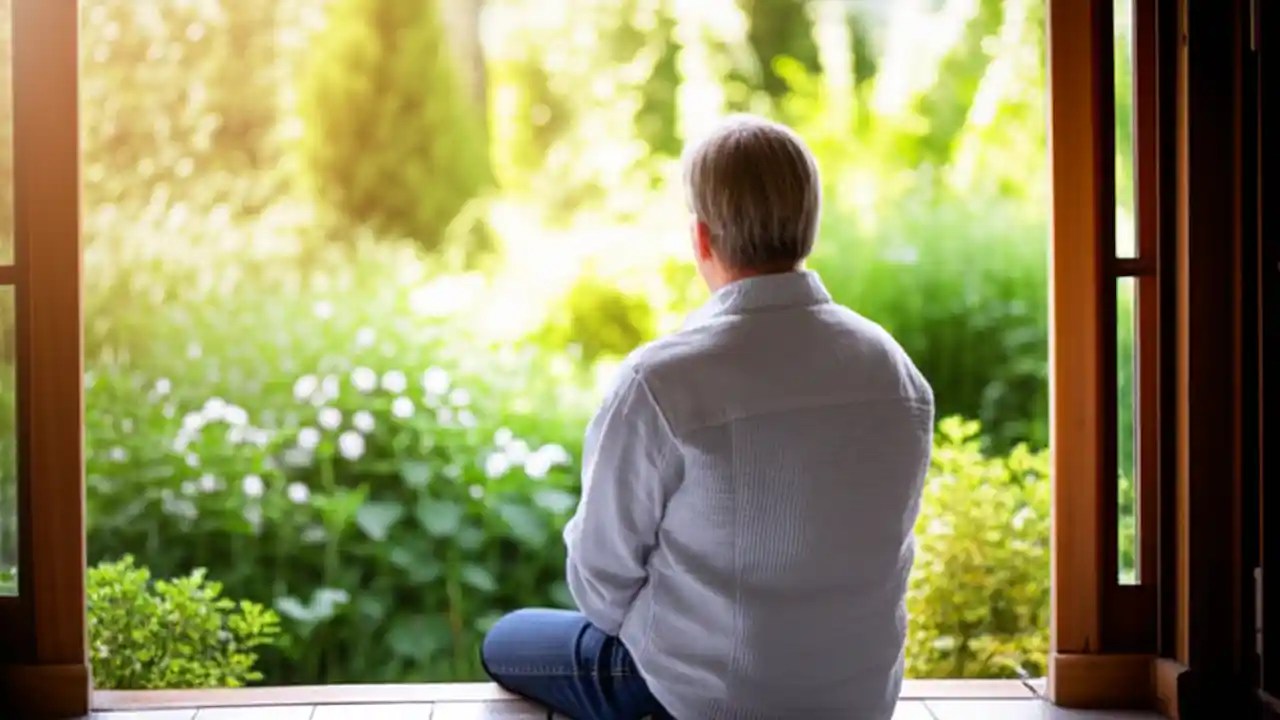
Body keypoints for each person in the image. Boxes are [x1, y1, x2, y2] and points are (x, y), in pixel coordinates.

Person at [480, 114, 934, 720]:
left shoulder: (662, 381)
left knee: (507, 638)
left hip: (702, 698)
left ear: (701, 237)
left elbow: (599, 584)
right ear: (809, 226)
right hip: (859, 697)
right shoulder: (893, 370)